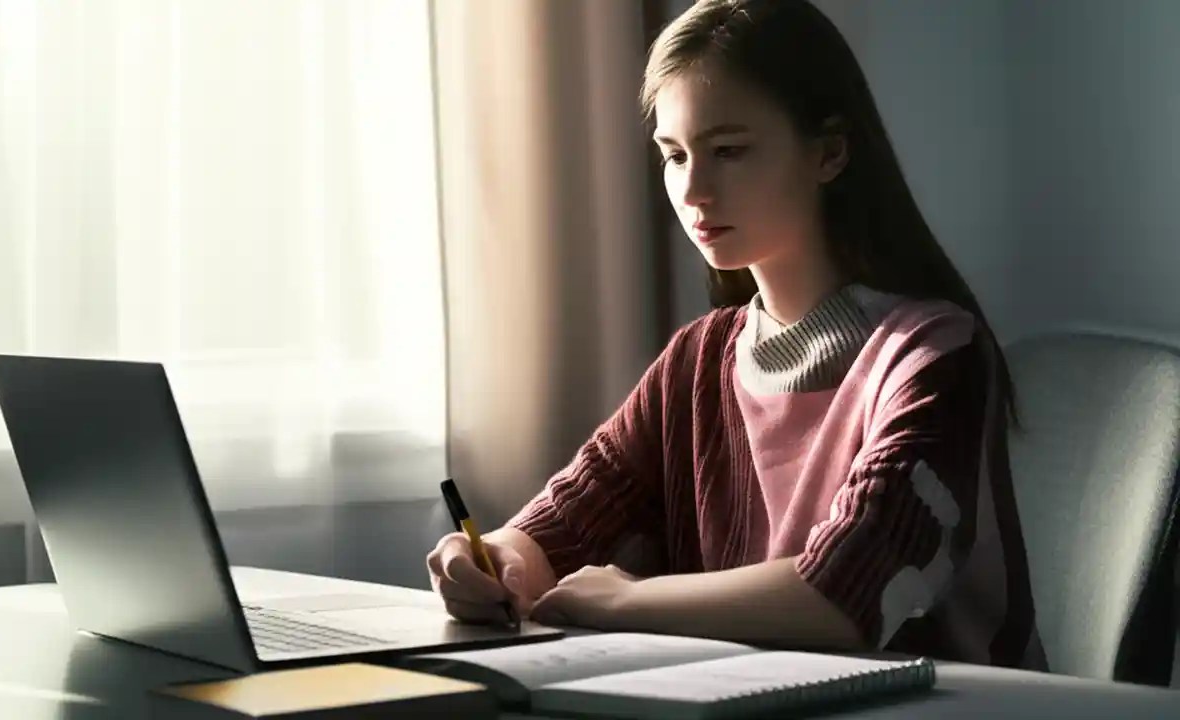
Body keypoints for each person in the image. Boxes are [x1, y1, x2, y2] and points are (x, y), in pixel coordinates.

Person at [426, 0, 1046, 669]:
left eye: (728, 151)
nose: (693, 189)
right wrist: (493, 560)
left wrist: (624, 602)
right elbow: (561, 533)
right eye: (673, 155)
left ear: (830, 151)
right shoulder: (696, 362)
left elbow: (845, 598)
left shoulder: (934, 355)